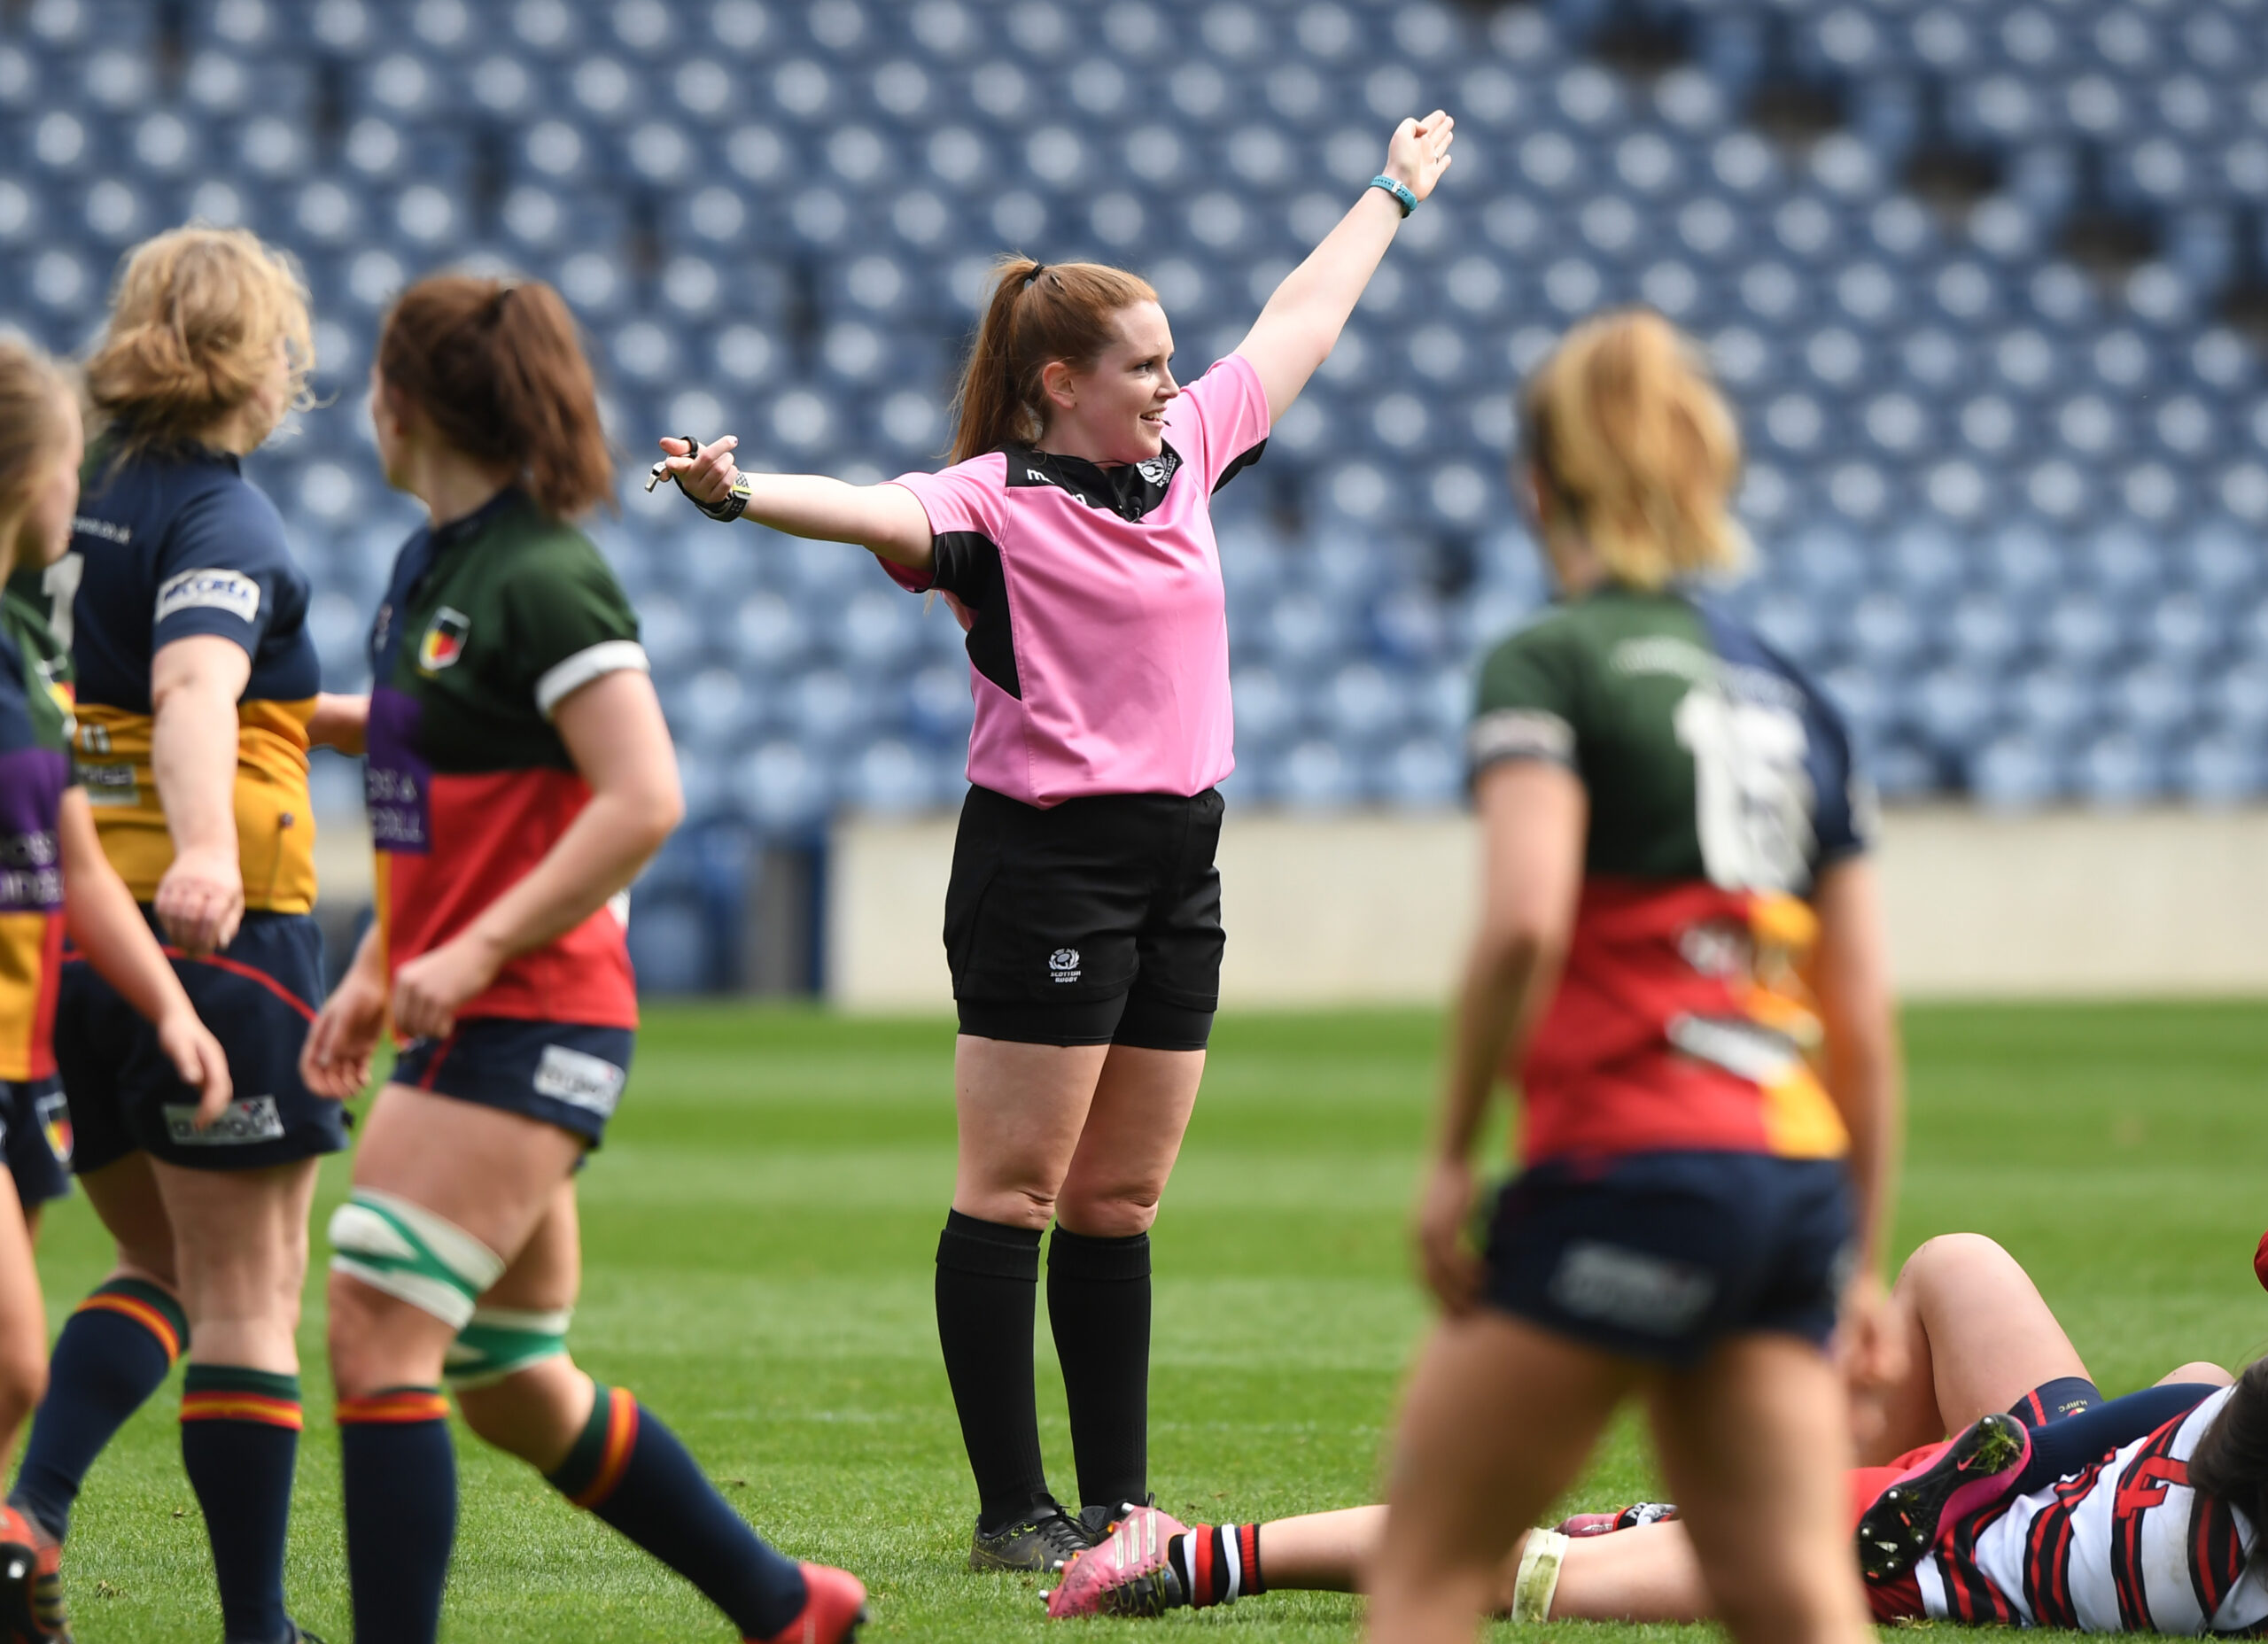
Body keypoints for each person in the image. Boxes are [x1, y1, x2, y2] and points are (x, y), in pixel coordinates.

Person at [656, 110, 1458, 1574]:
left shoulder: (1192, 454)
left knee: (1120, 1198)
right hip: (1048, 865)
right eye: (1146, 364)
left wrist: (1390, 193)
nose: (1174, 381)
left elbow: (1302, 321)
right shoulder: (990, 505)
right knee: (1015, 1192)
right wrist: (734, 493)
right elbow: (864, 508)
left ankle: (1119, 1506)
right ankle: (1010, 1512)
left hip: (1180, 862)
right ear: (1061, 384)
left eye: (1170, 361)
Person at [1309, 306, 1907, 1644]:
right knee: (1792, 1595)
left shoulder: (1552, 661)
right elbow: (1858, 1015)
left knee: (1425, 1575)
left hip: (1628, 1172)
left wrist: (1455, 1153)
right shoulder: (1798, 699)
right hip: (1785, 1193)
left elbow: (1526, 919)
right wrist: (1858, 1255)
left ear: (1537, 486)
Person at [295, 271, 866, 1644]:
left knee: (376, 1328)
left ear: (414, 399)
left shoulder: (547, 573)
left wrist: (471, 945)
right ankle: (787, 1607)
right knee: (507, 1376)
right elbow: (439, 794)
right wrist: (380, 965)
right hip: (464, 1002)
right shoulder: (431, 562)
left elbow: (644, 797)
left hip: (533, 1009)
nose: (367, 400)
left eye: (380, 376)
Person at [6, 225, 356, 1644]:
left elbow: (136, 694)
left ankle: (28, 1518)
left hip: (68, 936)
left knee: (153, 1268)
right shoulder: (223, 517)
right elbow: (198, 688)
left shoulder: (61, 487)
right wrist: (210, 846)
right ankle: (258, 1630)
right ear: (256, 360)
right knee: (252, 1299)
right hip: (213, 934)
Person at [1049, 1230, 2239, 1624]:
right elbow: (2188, 1405)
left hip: (1918, 1538)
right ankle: (1748, 1461)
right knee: (1959, 1267)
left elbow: (2190, 1407)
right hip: (2031, 1482)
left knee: (1551, 1568)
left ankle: (1193, 1557)